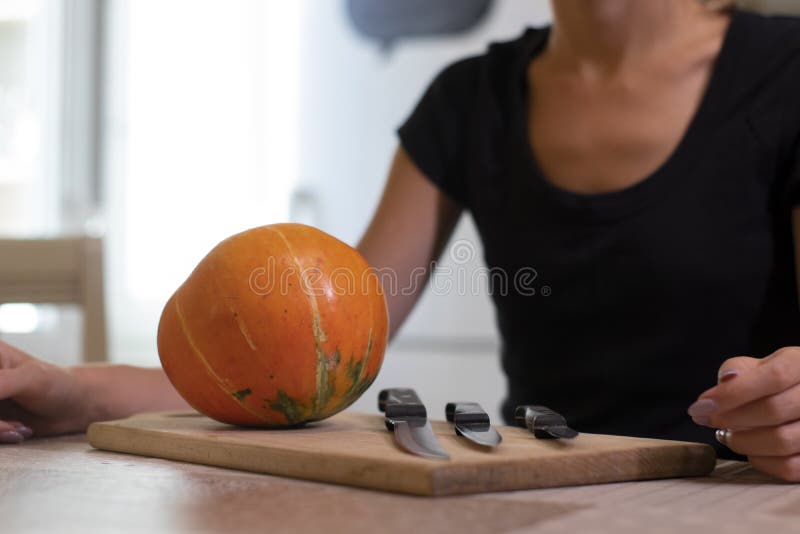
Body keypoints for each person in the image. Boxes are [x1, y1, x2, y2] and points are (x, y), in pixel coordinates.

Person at [2, 0, 800, 481]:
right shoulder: (465, 102)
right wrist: (83, 396)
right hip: (536, 497)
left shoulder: (787, 70)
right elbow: (312, 360)